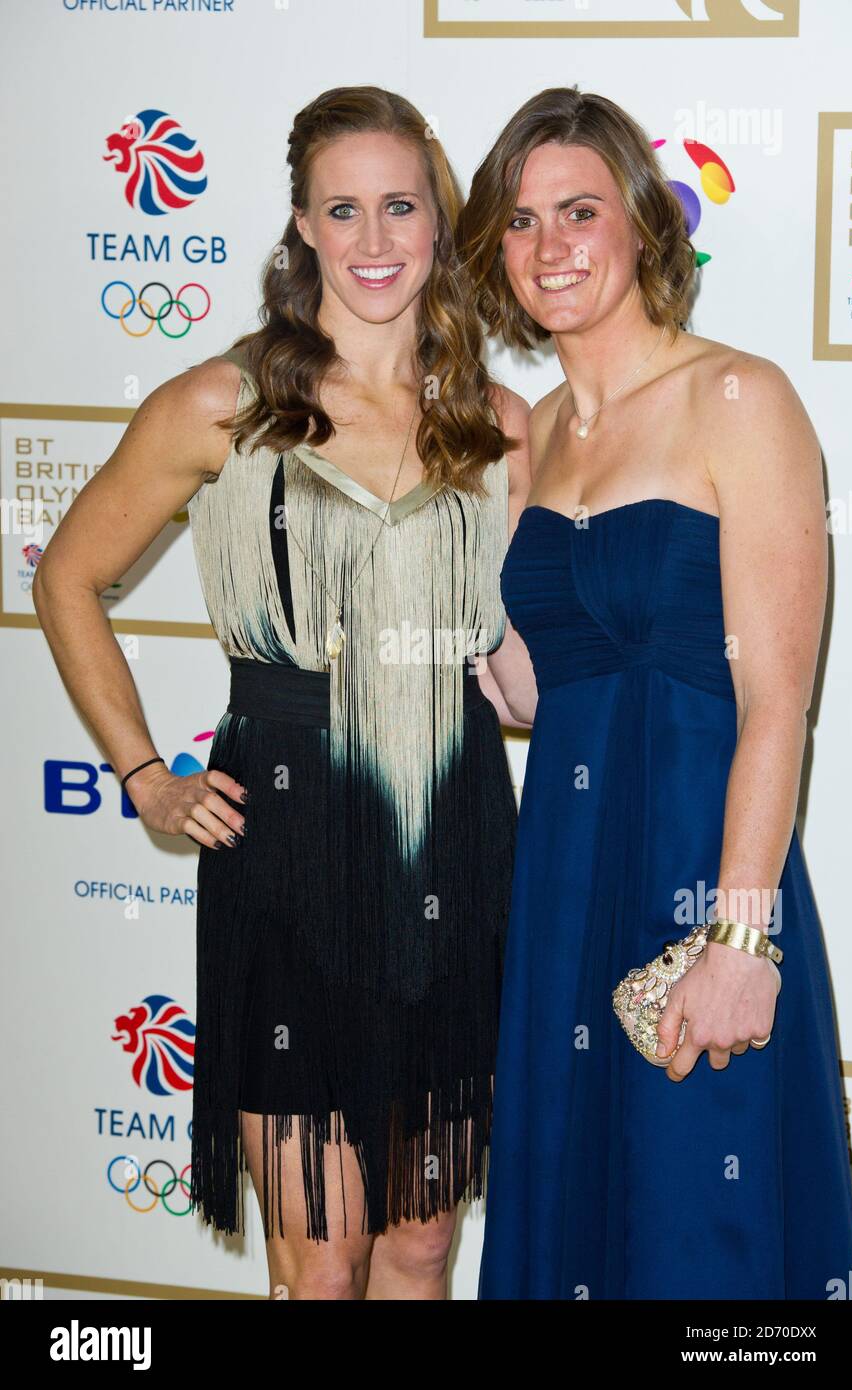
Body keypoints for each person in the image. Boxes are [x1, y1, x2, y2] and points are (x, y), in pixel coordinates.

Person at [32, 85, 534, 1300]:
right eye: (342, 209)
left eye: (400, 207)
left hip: (453, 833)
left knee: (420, 1244)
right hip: (289, 842)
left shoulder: (499, 424)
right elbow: (67, 576)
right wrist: (144, 773)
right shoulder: (223, 402)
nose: (374, 241)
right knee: (322, 1253)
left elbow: (519, 669)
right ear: (300, 225)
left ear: (437, 219)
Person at [459, 86, 852, 1300]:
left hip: (702, 867)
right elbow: (535, 685)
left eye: (577, 211)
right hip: (564, 883)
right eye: (520, 223)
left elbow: (776, 702)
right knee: (575, 1204)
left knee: (700, 1224)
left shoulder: (736, 399)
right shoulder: (532, 438)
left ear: (641, 222)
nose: (549, 249)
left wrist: (743, 935)